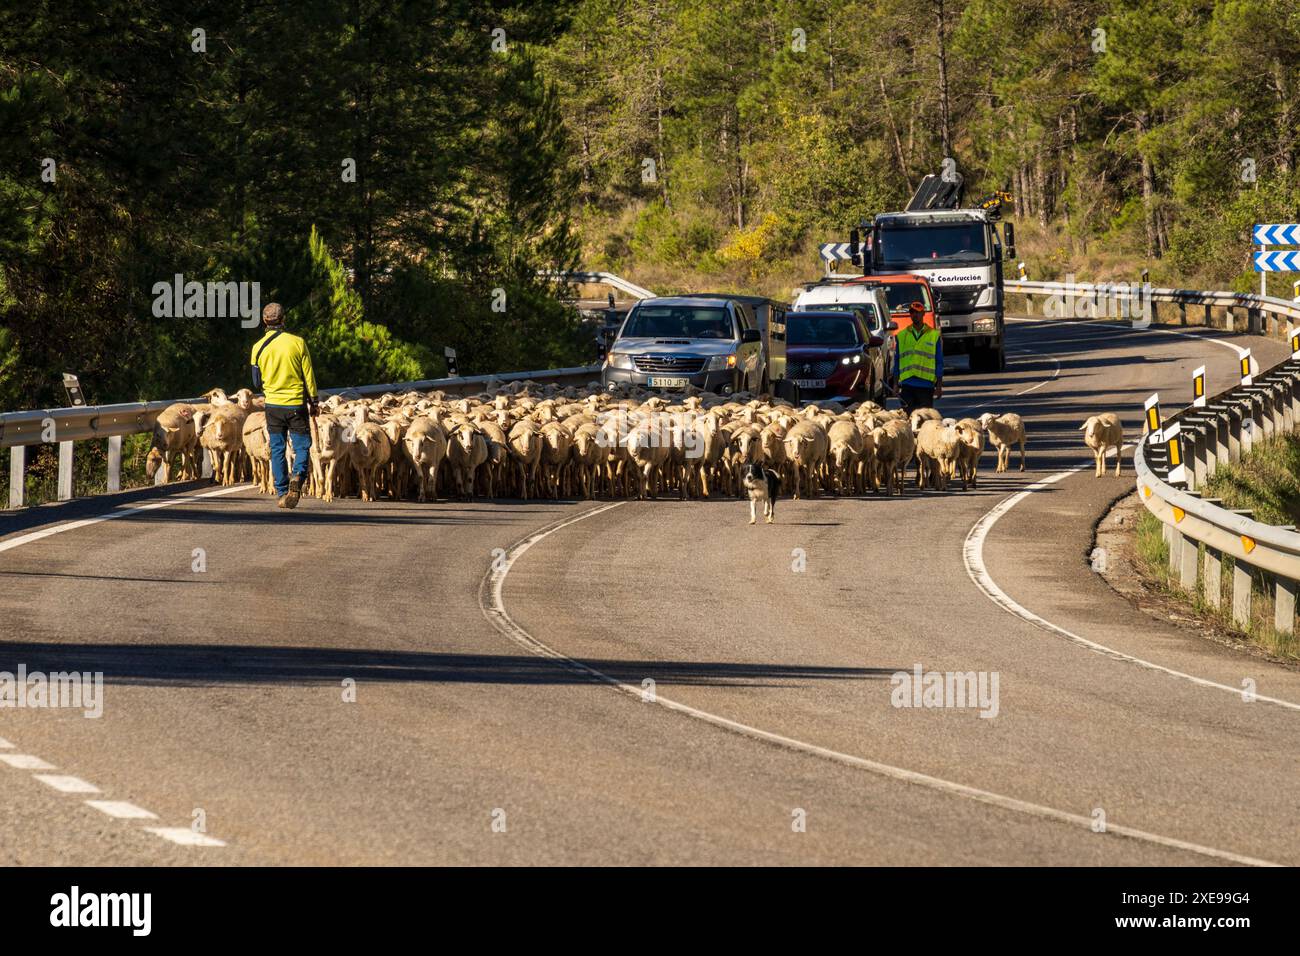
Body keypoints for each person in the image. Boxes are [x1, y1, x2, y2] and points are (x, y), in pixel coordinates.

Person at [250, 302, 318, 509]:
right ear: (283, 319)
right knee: (302, 446)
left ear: (264, 321)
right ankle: (297, 475)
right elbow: (309, 376)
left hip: (273, 406)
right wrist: (313, 401)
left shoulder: (257, 348)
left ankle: (282, 492)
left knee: (277, 448)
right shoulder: (298, 343)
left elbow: (256, 382)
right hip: (295, 404)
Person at [892, 300, 942, 413]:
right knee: (909, 420)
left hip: (926, 386)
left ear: (923, 314)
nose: (915, 315)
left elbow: (939, 362)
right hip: (907, 385)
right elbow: (897, 361)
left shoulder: (933, 335)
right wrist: (895, 384)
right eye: (912, 312)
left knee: (925, 420)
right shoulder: (902, 335)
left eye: (918, 312)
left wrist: (939, 386)